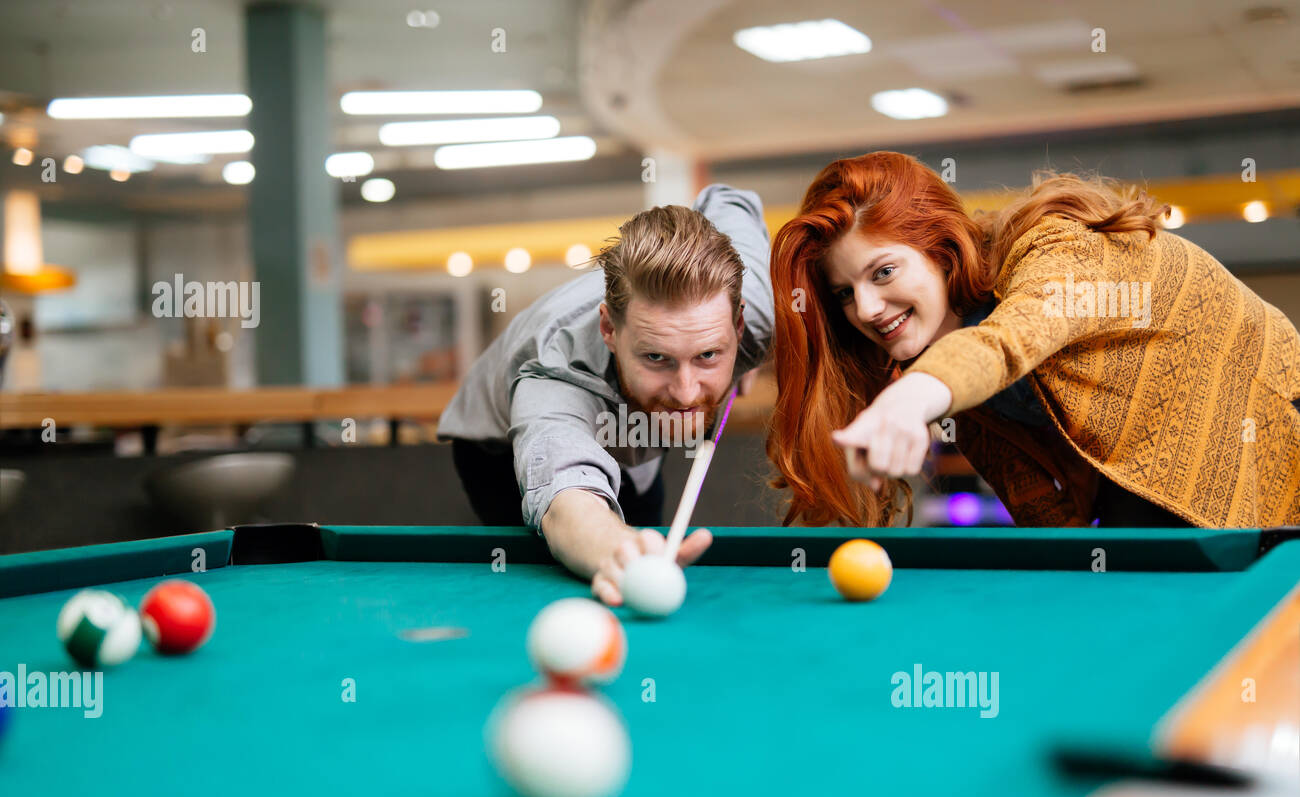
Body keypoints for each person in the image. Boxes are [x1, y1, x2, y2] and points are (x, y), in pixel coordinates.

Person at [766, 151, 1300, 528]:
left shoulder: (1051, 245)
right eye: (843, 293)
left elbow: (1011, 338)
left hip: (1276, 419)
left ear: (943, 249)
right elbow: (1035, 498)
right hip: (1158, 473)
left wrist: (910, 396)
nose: (865, 309)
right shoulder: (951, 364)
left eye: (882, 272)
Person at [439, 184, 773, 602]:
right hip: (497, 451)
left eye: (708, 354)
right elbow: (566, 499)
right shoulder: (556, 371)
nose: (687, 392)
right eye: (657, 357)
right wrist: (613, 551)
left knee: (644, 533)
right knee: (561, 577)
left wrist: (749, 353)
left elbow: (730, 196)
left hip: (639, 419)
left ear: (738, 325)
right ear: (610, 330)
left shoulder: (758, 309)